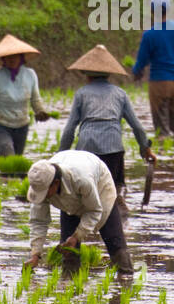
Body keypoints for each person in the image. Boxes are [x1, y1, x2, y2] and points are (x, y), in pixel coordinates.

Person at [59, 44, 155, 216]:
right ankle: (119, 209)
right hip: (113, 148)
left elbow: (69, 129)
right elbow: (137, 126)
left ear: (86, 74)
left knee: (88, 190)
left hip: (86, 150)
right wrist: (145, 148)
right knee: (114, 187)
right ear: (109, 73)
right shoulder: (120, 94)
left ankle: (90, 223)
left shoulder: (81, 94)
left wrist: (60, 156)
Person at [22, 150, 134, 274]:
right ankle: (69, 283)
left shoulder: (82, 180)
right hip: (70, 197)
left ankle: (126, 278)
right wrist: (35, 255)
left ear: (56, 183)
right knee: (68, 247)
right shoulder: (41, 181)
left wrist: (78, 235)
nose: (43, 196)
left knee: (114, 240)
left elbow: (94, 210)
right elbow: (38, 221)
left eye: (45, 192)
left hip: (100, 187)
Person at [132, 0, 174, 139]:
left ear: (152, 11)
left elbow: (142, 59)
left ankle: (165, 158)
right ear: (168, 9)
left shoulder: (150, 35)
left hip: (159, 81)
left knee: (161, 125)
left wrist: (136, 71)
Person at [0, 33, 49, 155]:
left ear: (22, 57)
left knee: (16, 162)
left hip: (22, 125)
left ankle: (7, 175)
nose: (12, 59)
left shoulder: (30, 75)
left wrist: (40, 111)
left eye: (15, 56)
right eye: (8, 57)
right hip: (1, 125)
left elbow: (35, 99)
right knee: (7, 151)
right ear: (3, 59)